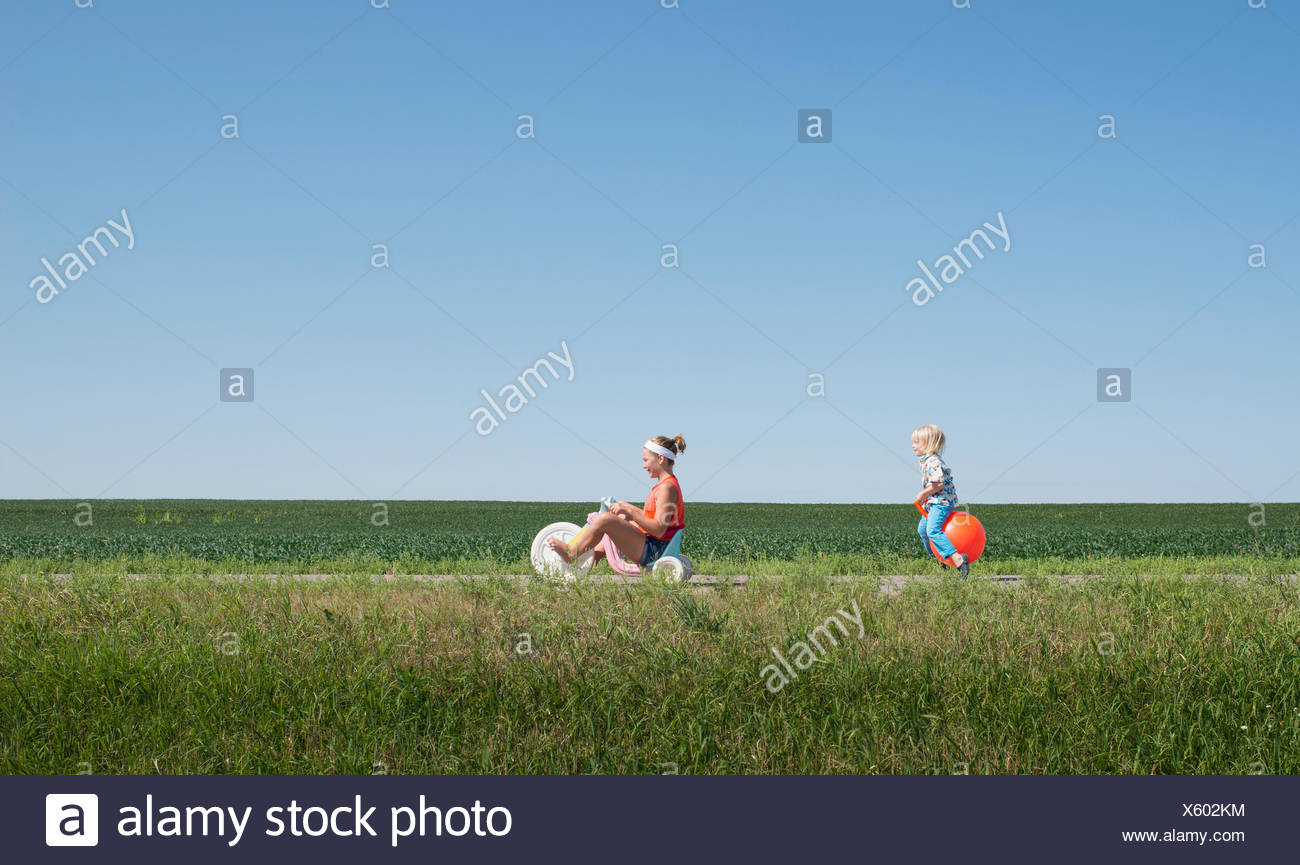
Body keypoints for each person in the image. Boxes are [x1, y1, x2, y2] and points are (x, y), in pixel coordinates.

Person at [547, 435, 686, 568]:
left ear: (660, 458)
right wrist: (625, 508)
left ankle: (572, 553)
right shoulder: (666, 485)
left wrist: (629, 511)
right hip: (654, 546)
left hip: (655, 550)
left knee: (605, 520)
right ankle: (589, 562)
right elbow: (651, 518)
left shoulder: (666, 488)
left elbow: (659, 529)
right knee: (617, 519)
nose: (644, 465)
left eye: (646, 460)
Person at [911, 424, 969, 577]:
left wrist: (923, 494)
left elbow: (939, 484)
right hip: (933, 503)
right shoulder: (925, 460)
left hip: (941, 503)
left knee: (932, 530)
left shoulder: (933, 461)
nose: (913, 446)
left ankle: (959, 559)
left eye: (916, 442)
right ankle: (939, 559)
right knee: (923, 531)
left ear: (928, 444)